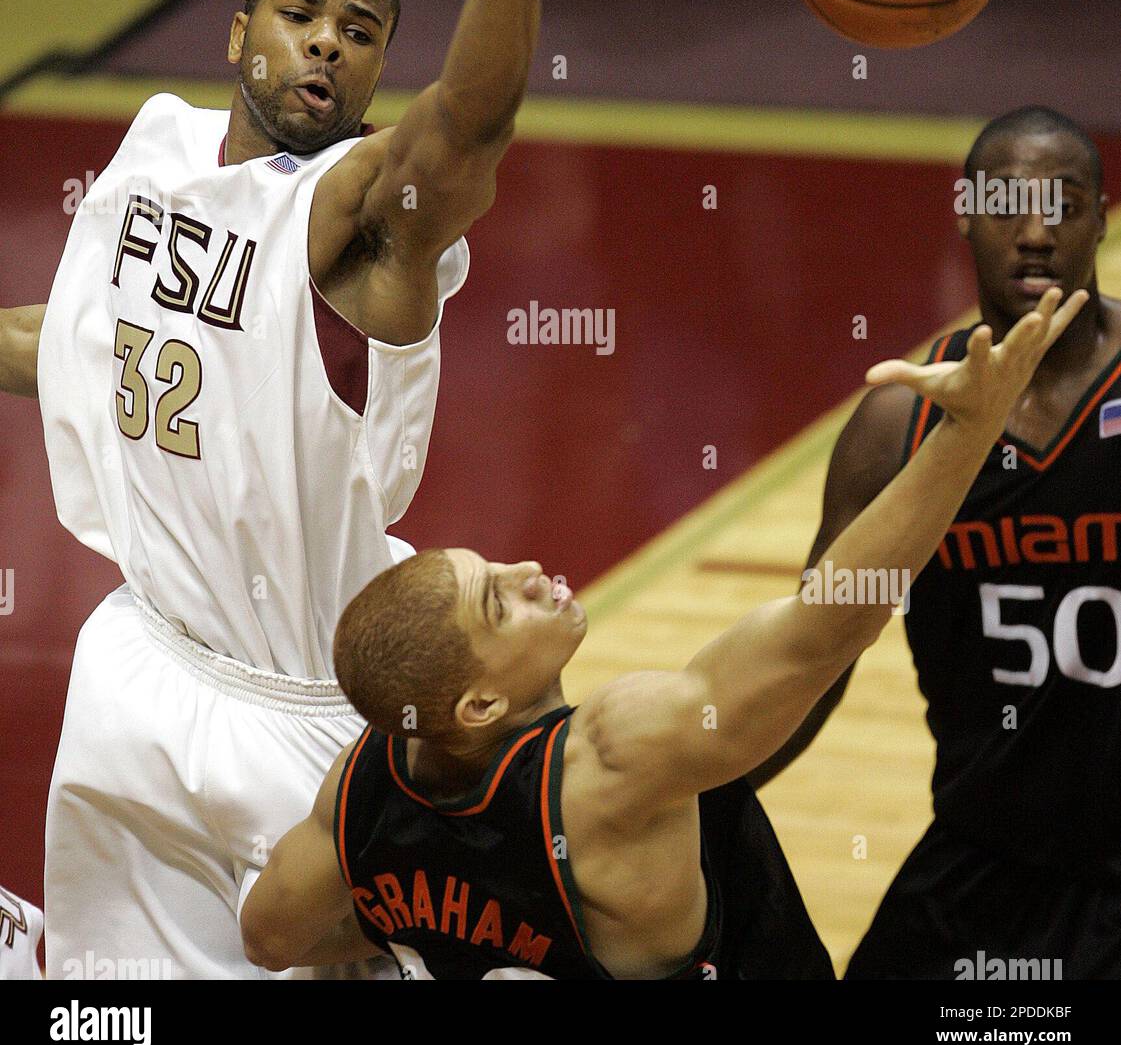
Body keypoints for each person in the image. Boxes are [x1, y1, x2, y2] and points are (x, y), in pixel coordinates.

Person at [0, 0, 539, 979]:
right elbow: (72, 343)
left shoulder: (364, 226)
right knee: (104, 998)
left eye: (360, 33)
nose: (327, 48)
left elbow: (468, 126)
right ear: (240, 31)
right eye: (301, 16)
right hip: (135, 660)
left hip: (304, 712)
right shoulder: (158, 149)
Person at [239, 287, 1086, 979]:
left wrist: (423, 934)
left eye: (492, 566)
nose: (527, 571)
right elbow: (825, 630)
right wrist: (969, 432)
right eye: (498, 603)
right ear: (478, 701)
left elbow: (270, 939)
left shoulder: (360, 794)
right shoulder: (610, 763)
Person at [782, 107, 1121, 978]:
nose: (1037, 232)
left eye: (1064, 205)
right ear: (963, 211)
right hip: (986, 858)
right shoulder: (899, 423)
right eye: (1009, 201)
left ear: (1101, 219)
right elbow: (811, 659)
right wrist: (690, 788)